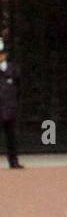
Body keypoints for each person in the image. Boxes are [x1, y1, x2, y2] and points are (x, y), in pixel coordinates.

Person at [0, 39, 21, 169]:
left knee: (11, 137)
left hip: (9, 107)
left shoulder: (13, 68)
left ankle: (13, 161)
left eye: (2, 53)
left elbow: (19, 87)